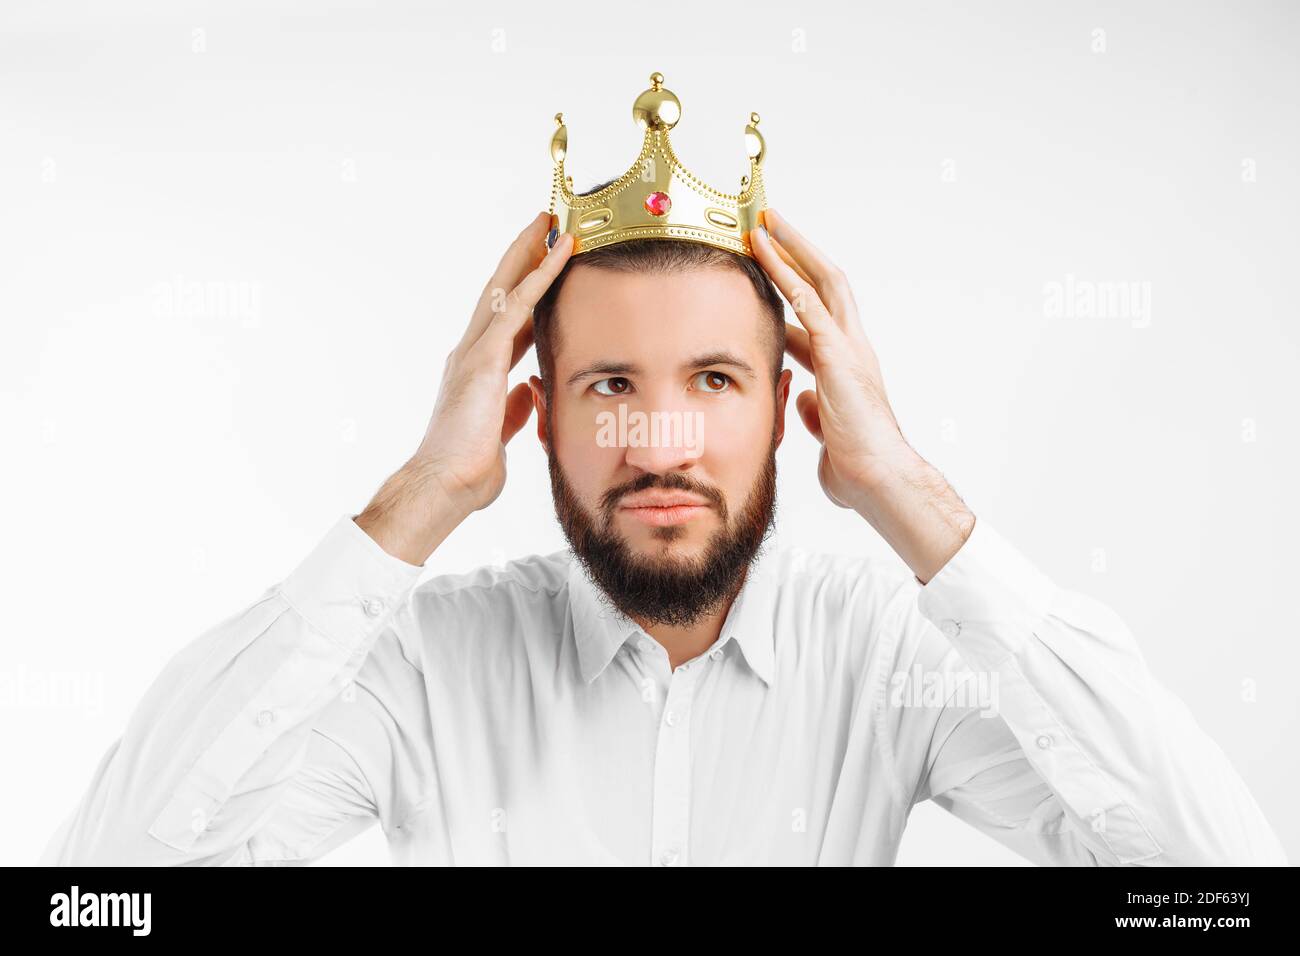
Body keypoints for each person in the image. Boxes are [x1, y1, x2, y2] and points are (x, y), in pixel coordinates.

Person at [41, 208, 1286, 866]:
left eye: (712, 379)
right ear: (531, 413)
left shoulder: (877, 654)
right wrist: (419, 494)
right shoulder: (425, 664)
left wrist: (908, 490)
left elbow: (1212, 881)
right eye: (612, 387)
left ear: (793, 404)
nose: (663, 442)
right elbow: (106, 891)